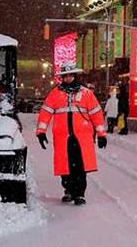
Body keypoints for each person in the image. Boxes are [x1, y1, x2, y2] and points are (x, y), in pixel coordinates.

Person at [36, 61, 107, 206]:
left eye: (70, 76)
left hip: (82, 137)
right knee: (65, 164)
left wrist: (101, 134)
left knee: (80, 166)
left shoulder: (87, 94)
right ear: (62, 78)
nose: (68, 79)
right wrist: (41, 132)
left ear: (75, 76)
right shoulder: (55, 94)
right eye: (65, 76)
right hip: (63, 137)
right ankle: (68, 189)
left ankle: (80, 194)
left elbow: (96, 114)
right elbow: (45, 112)